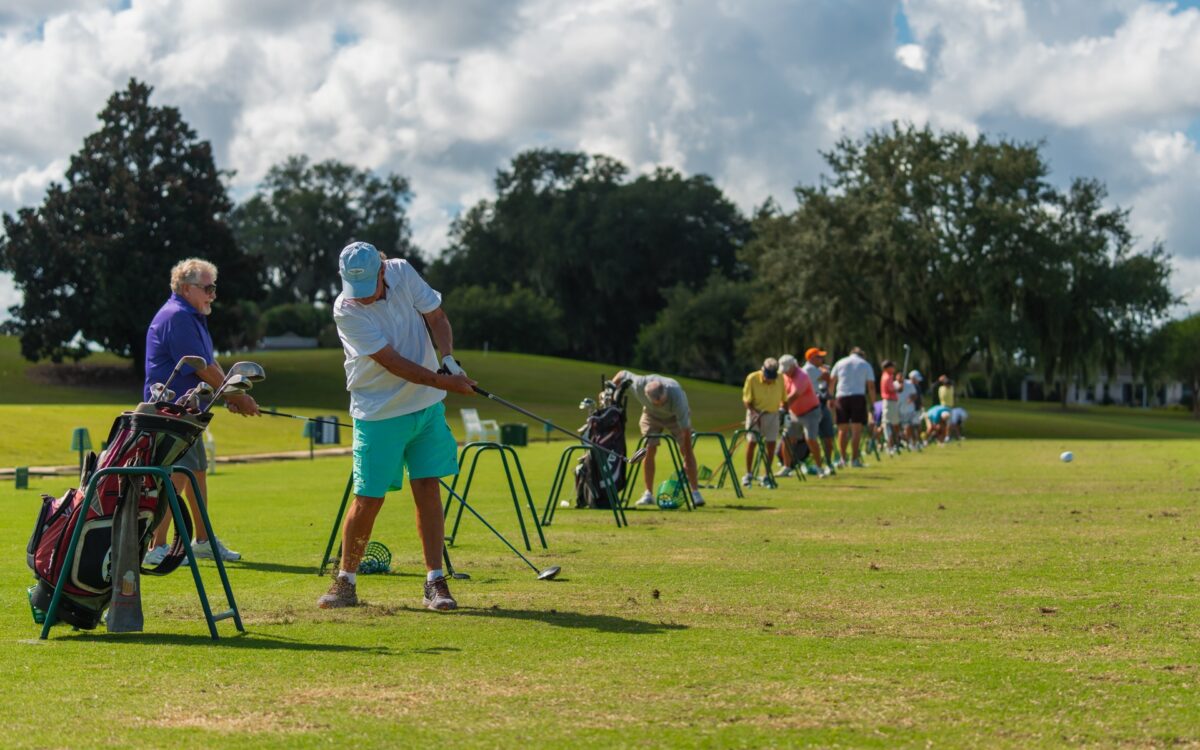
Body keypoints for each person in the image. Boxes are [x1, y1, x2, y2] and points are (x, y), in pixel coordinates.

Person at [318, 242, 477, 611]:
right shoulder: (346, 309)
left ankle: (435, 581)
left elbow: (436, 316)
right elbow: (392, 362)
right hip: (378, 411)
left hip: (425, 409)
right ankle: (345, 582)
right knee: (369, 498)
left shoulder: (402, 272)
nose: (363, 296)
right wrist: (447, 383)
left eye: (369, 286)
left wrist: (449, 359)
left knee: (428, 488)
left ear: (383, 271)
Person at [143, 258, 260, 565]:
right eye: (206, 288)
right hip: (171, 411)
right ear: (185, 288)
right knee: (179, 477)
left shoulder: (193, 317)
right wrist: (235, 396)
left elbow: (212, 363)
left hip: (188, 411)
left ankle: (203, 540)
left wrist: (232, 395)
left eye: (214, 287)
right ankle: (157, 547)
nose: (213, 294)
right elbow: (203, 368)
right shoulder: (178, 317)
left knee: (195, 473)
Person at [611, 370, 705, 508]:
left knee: (686, 450)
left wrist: (687, 453)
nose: (660, 404)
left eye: (662, 401)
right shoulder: (638, 384)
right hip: (651, 415)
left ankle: (695, 493)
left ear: (665, 392)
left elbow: (685, 429)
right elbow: (622, 373)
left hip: (674, 417)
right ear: (646, 395)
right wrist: (610, 389)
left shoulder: (676, 396)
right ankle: (648, 494)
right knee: (649, 449)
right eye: (657, 402)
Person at [777, 354, 830, 477]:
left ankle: (819, 468)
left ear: (793, 366)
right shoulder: (785, 376)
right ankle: (786, 467)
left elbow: (795, 395)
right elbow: (783, 394)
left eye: (787, 370)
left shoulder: (802, 375)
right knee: (788, 438)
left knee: (810, 439)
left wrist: (781, 408)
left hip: (810, 412)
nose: (785, 373)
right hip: (794, 413)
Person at [829, 347, 876, 468]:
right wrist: (873, 403)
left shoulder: (840, 362)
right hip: (858, 397)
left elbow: (832, 381)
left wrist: (830, 397)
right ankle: (854, 460)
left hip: (841, 397)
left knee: (842, 429)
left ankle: (843, 459)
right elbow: (871, 386)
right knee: (856, 430)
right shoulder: (865, 364)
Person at [741, 357, 785, 487]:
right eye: (768, 376)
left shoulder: (780, 378)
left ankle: (767, 474)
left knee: (771, 444)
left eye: (772, 376)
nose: (770, 379)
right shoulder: (752, 378)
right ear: (763, 370)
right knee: (752, 442)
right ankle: (749, 474)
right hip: (755, 413)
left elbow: (784, 398)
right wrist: (755, 414)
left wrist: (784, 413)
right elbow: (746, 400)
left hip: (773, 414)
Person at [802, 347, 837, 472]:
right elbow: (828, 377)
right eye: (819, 357)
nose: (822, 359)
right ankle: (819, 463)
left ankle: (827, 462)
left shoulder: (815, 369)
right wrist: (825, 370)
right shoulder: (809, 369)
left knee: (827, 436)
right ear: (811, 358)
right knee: (814, 437)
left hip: (821, 403)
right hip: (813, 406)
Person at [879, 360, 903, 454]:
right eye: (892, 367)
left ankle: (893, 444)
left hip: (892, 402)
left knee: (894, 423)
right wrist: (898, 387)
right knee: (888, 424)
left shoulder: (888, 376)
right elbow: (890, 389)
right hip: (889, 402)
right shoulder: (887, 377)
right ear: (887, 368)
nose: (894, 369)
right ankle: (889, 445)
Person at [899, 370, 924, 448]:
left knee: (917, 426)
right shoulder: (905, 384)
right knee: (908, 427)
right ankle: (908, 442)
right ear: (912, 378)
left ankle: (916, 442)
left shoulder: (917, 386)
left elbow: (919, 397)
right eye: (917, 379)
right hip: (907, 409)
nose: (918, 381)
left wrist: (921, 404)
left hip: (916, 409)